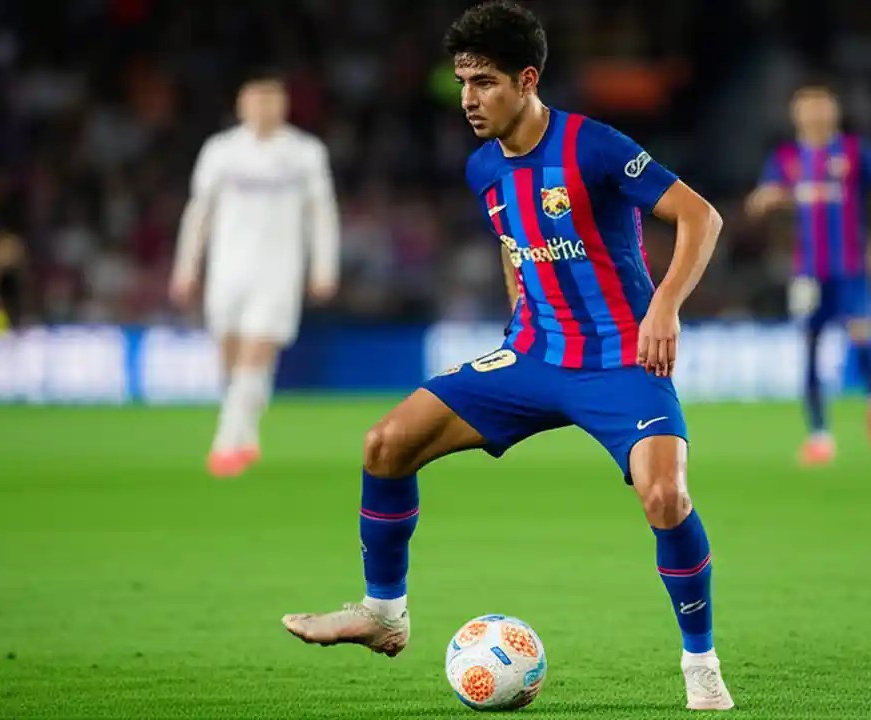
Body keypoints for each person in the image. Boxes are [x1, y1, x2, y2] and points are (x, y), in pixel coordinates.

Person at [281, 2, 733, 711]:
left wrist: (665, 306)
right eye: (462, 82)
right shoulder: (483, 168)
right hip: (530, 355)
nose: (469, 98)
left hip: (619, 360)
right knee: (385, 444)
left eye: (485, 82)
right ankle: (383, 613)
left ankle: (700, 663)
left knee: (665, 496)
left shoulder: (594, 146)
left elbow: (701, 215)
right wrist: (518, 314)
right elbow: (512, 243)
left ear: (527, 80)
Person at [169, 69, 340, 478]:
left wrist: (323, 267)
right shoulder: (221, 151)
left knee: (258, 349)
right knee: (230, 356)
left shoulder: (305, 152)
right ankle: (246, 430)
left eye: (272, 100)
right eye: (256, 100)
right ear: (241, 105)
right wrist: (185, 267)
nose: (264, 108)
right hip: (227, 268)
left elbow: (321, 214)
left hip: (279, 270)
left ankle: (226, 442)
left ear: (284, 105)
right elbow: (199, 211)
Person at [746, 83, 871, 466]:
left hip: (850, 267)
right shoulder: (786, 158)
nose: (815, 115)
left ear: (834, 112)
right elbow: (759, 201)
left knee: (862, 333)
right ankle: (819, 437)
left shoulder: (853, 151)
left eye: (821, 107)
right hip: (807, 273)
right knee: (810, 347)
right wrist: (771, 199)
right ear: (795, 115)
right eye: (807, 108)